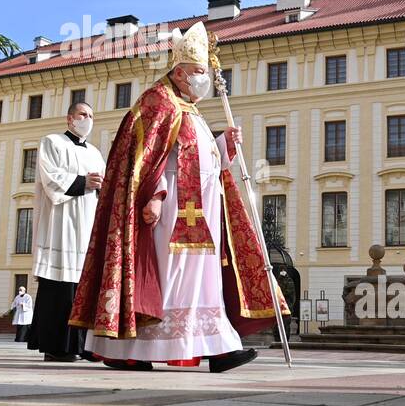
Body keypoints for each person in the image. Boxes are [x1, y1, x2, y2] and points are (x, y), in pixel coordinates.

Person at [70, 21, 288, 372]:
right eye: (199, 72)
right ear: (181, 72)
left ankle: (219, 347)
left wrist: (224, 145)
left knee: (204, 281)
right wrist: (154, 195)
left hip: (200, 210)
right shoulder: (157, 103)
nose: (204, 79)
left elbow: (201, 159)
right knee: (171, 281)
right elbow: (144, 158)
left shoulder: (192, 109)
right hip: (169, 212)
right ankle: (133, 350)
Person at [26, 101, 105, 362]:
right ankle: (57, 346)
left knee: (85, 286)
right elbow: (50, 178)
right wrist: (84, 182)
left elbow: (104, 185)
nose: (87, 119)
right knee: (60, 288)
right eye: (83, 114)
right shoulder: (52, 142)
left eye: (91, 115)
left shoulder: (95, 152)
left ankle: (84, 345)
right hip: (60, 224)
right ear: (69, 118)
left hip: (87, 223)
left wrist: (102, 186)